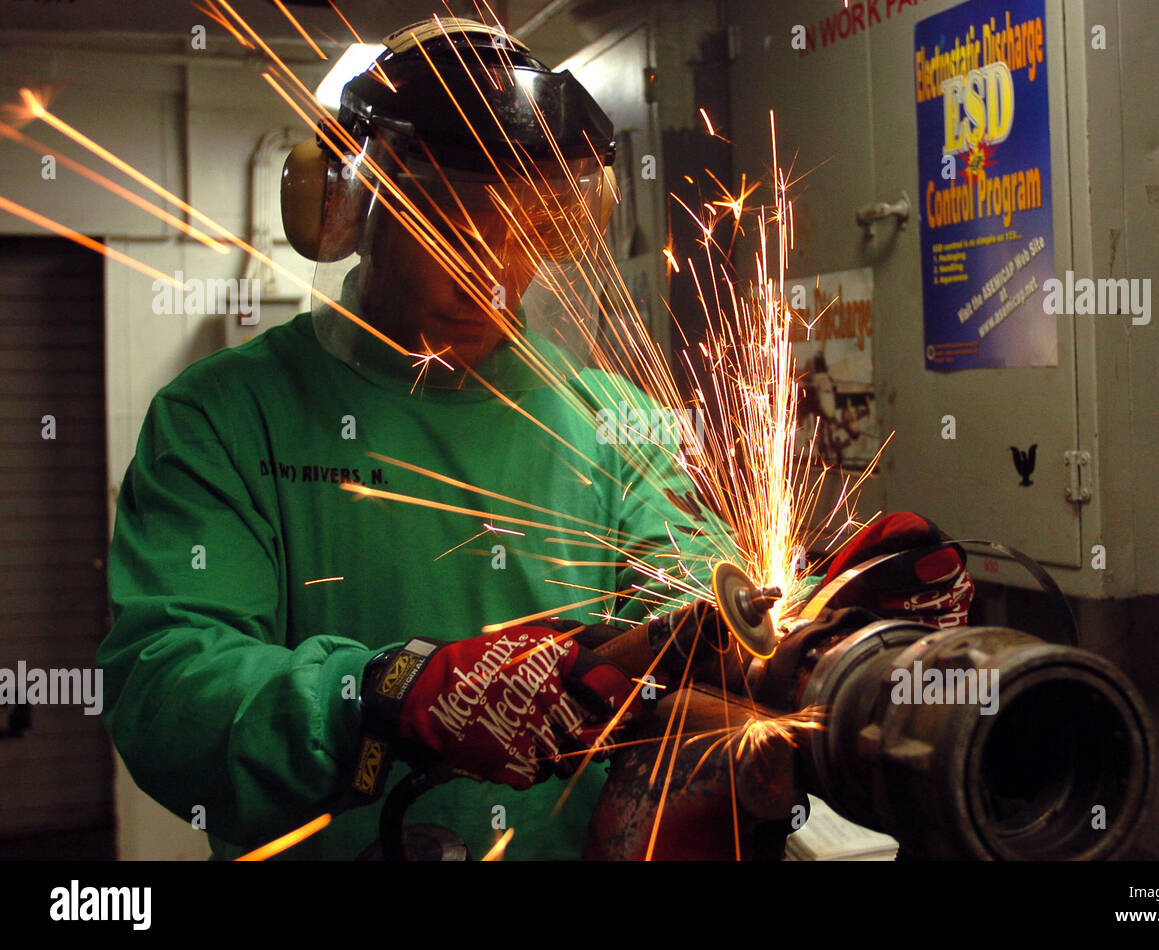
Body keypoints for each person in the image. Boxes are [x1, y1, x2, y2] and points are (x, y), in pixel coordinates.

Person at [100, 17, 972, 861]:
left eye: (526, 226)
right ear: (351, 206)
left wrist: (825, 628)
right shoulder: (221, 416)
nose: (490, 269)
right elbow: (165, 686)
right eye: (445, 220)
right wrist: (377, 696)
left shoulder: (609, 424)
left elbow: (688, 621)